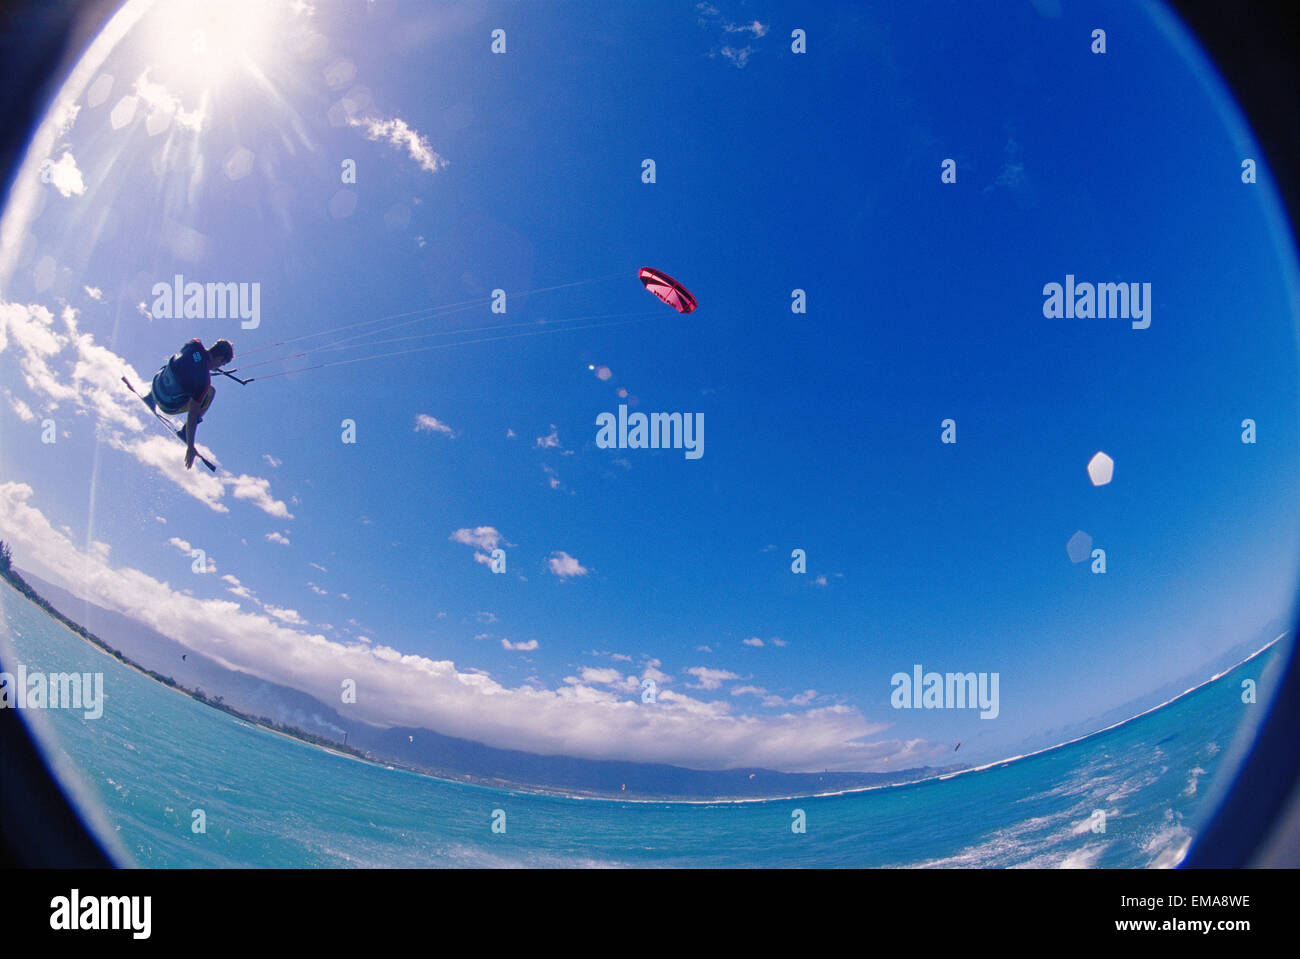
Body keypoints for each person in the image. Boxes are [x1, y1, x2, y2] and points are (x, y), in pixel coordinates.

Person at [144, 338, 234, 469]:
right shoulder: (204, 381)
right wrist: (190, 446)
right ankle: (184, 431)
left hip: (156, 386)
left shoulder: (194, 344)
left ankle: (150, 398)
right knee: (210, 393)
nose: (219, 367)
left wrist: (205, 366)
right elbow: (192, 415)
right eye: (222, 364)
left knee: (175, 364)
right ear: (220, 358)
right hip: (166, 404)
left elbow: (194, 363)